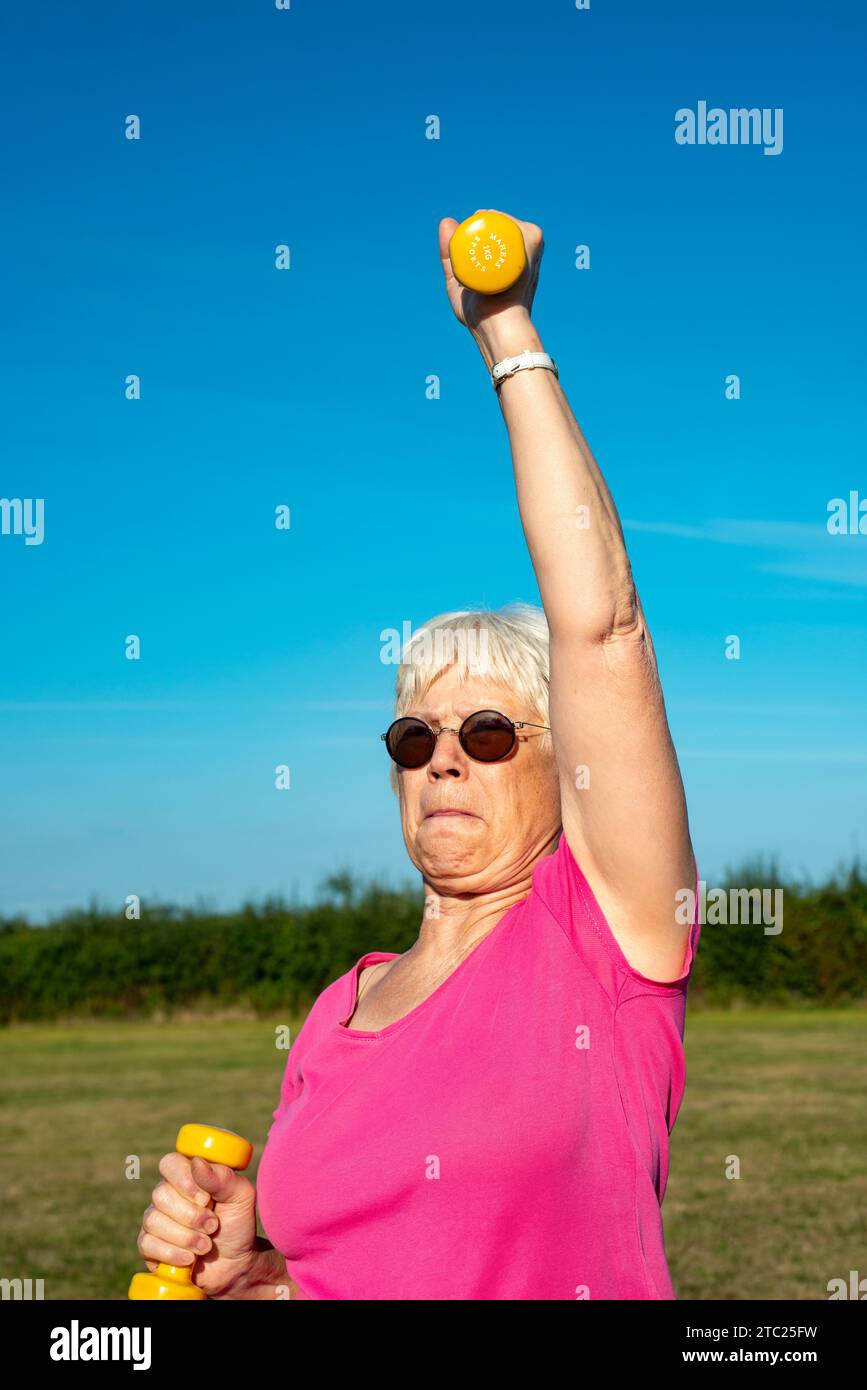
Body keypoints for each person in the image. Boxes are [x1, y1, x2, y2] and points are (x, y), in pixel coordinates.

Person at [136, 210, 700, 1300]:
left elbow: (603, 626)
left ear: (562, 764)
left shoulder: (607, 935)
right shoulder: (339, 1008)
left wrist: (505, 332)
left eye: (490, 733)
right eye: (416, 736)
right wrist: (250, 1278)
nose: (445, 758)